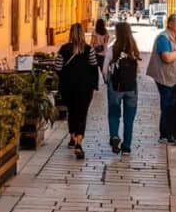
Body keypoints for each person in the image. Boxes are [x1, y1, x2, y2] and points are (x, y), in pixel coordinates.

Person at [54, 23, 99, 159]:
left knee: (72, 112)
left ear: (71, 34)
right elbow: (94, 67)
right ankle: (79, 142)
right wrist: (94, 85)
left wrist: (64, 77)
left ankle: (72, 137)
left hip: (68, 87)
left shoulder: (64, 49)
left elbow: (58, 67)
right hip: (85, 88)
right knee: (82, 113)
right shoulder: (88, 49)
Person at [146, 14, 176, 144]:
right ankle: (165, 134)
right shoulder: (163, 38)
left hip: (174, 78)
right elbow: (166, 58)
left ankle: (170, 133)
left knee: (172, 105)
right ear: (170, 23)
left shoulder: (175, 38)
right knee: (167, 105)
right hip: (165, 78)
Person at [102, 22, 141, 155]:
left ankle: (114, 136)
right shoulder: (133, 47)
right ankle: (126, 146)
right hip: (131, 87)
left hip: (115, 87)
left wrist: (108, 81)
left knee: (114, 113)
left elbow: (104, 69)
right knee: (129, 119)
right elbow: (138, 70)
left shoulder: (113, 47)